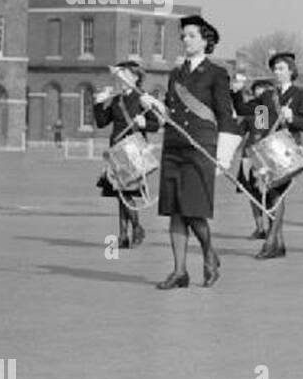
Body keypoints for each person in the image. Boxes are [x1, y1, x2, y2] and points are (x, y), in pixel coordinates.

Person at [139, 14, 241, 289]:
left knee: (194, 210)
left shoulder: (217, 73)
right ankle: (180, 271)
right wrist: (155, 106)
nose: (185, 40)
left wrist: (224, 156)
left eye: (191, 35)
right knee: (175, 210)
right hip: (174, 145)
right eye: (183, 36)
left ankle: (209, 253)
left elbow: (226, 116)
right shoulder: (175, 74)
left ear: (206, 40)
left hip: (200, 147)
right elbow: (173, 113)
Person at [236, 52, 303, 259]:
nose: (277, 73)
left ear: (291, 71)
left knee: (277, 194)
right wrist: (237, 91)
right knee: (270, 195)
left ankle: (271, 242)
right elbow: (253, 117)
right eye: (275, 69)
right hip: (269, 150)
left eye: (281, 69)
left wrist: (292, 117)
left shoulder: (300, 95)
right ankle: (279, 244)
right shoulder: (268, 96)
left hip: (287, 150)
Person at [94, 59, 160, 248]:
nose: (121, 77)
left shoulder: (143, 97)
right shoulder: (117, 98)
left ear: (136, 77)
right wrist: (99, 103)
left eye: (125, 73)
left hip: (134, 150)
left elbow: (156, 124)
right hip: (117, 149)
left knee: (126, 191)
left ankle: (136, 229)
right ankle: (124, 234)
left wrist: (144, 124)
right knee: (120, 194)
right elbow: (101, 122)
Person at [232, 75, 275, 240]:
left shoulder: (267, 108)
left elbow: (261, 131)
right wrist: (236, 92)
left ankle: (270, 227)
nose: (258, 93)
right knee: (251, 193)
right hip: (249, 155)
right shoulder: (255, 108)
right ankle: (259, 227)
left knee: (267, 194)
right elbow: (240, 111)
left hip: (264, 156)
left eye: (262, 89)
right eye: (256, 89)